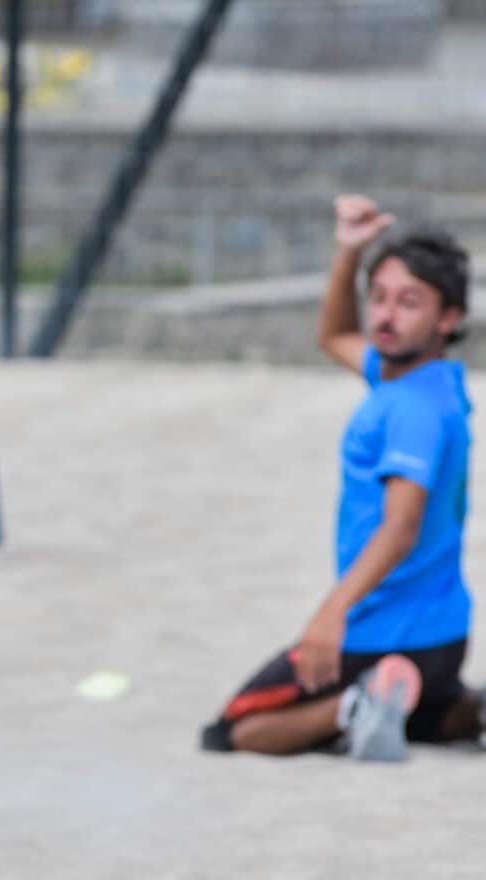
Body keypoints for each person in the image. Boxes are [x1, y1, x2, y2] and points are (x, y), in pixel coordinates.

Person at [200, 194, 483, 761]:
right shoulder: (423, 381)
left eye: (408, 303)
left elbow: (400, 529)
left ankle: (354, 704)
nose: (384, 316)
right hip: (443, 638)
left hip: (378, 634)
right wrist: (348, 253)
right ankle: (456, 710)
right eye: (377, 298)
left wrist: (332, 613)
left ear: (447, 318)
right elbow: (334, 336)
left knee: (233, 732)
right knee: (427, 717)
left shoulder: (412, 412)